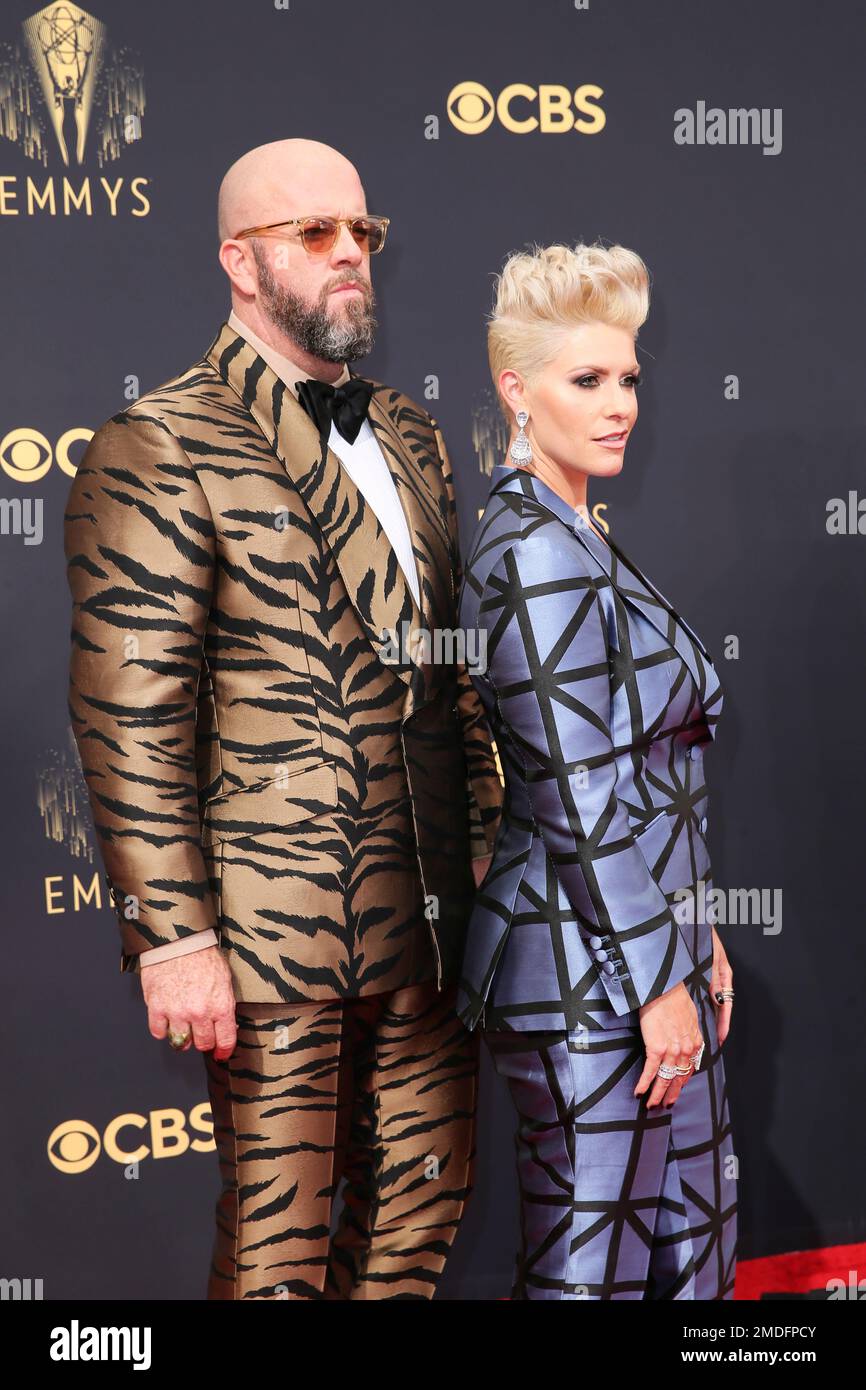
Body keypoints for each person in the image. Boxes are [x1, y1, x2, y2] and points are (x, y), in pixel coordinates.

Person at [63, 138, 502, 1300]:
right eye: (314, 233)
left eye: (363, 232)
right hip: (271, 931)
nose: (349, 253)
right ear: (238, 263)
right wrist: (175, 934)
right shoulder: (157, 441)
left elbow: (449, 675)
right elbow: (130, 714)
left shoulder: (410, 433)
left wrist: (493, 864)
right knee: (278, 1248)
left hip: (432, 911)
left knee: (421, 1209)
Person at [456, 241, 737, 1299]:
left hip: (635, 958)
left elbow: (643, 775)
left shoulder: (578, 534)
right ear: (514, 390)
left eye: (625, 376)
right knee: (595, 1274)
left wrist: (694, 935)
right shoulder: (532, 549)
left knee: (681, 1256)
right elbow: (573, 792)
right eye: (587, 380)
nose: (618, 401)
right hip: (583, 980)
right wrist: (657, 973)